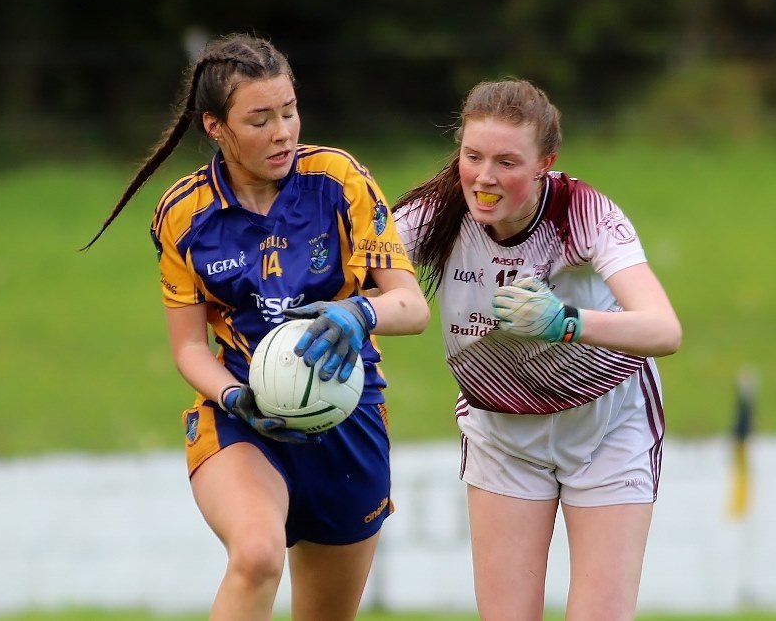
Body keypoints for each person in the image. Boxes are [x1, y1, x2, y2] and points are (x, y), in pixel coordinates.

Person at [84, 33, 429, 620]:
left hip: (347, 414)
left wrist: (358, 310)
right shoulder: (183, 213)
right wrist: (234, 396)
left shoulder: (339, 181)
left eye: (289, 111)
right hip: (242, 415)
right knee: (257, 555)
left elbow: (412, 307)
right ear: (216, 127)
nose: (283, 132)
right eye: (260, 119)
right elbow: (190, 346)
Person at [393, 79, 681, 621]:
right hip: (502, 434)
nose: (484, 177)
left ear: (546, 161)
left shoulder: (584, 212)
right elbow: (354, 272)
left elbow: (664, 329)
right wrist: (348, 314)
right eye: (472, 156)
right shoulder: (435, 213)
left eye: (507, 162)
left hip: (607, 430)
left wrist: (566, 323)